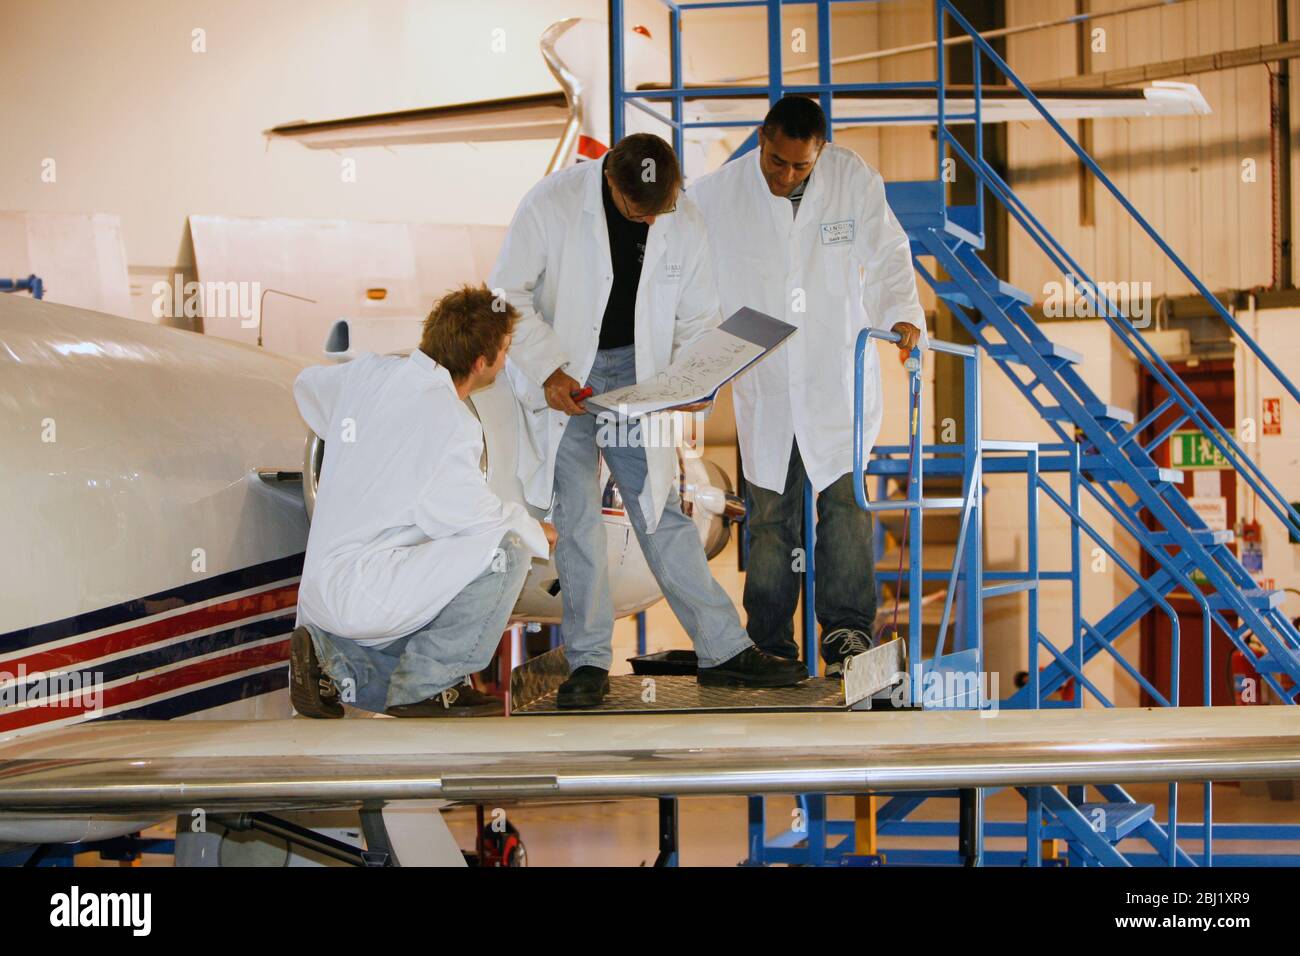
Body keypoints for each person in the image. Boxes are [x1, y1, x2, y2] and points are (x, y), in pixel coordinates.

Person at [489, 132, 806, 708]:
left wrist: (695, 383)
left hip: (639, 379)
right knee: (578, 518)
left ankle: (723, 650)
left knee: (660, 509)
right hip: (567, 377)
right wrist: (547, 369)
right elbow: (506, 295)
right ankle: (587, 663)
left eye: (658, 211)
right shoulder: (552, 203)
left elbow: (698, 316)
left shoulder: (682, 216)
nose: (649, 222)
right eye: (638, 212)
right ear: (610, 180)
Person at [690, 96, 928, 677]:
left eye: (801, 166)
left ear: (820, 151)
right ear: (763, 140)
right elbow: (692, 284)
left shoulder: (852, 180)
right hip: (765, 383)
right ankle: (770, 640)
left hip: (833, 378)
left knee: (844, 507)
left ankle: (847, 631)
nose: (787, 175)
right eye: (777, 161)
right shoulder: (716, 195)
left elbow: (890, 254)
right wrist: (694, 367)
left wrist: (901, 312)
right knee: (770, 516)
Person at [289, 284, 554, 718]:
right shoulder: (450, 421)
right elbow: (476, 521)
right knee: (507, 552)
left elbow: (307, 386)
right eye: (505, 350)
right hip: (364, 596)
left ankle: (331, 665)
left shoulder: (366, 372)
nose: (506, 360)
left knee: (435, 594)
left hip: (320, 596)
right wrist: (533, 529)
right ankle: (431, 688)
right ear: (481, 363)